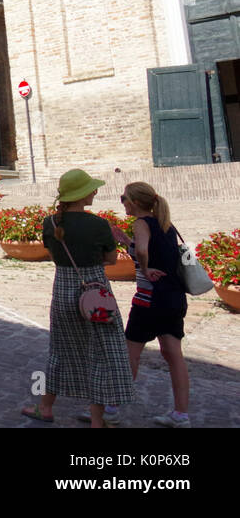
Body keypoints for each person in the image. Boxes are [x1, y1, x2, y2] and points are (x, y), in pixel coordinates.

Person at [22, 168, 136, 427]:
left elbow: (53, 255)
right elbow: (110, 259)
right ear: (82, 194)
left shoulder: (49, 223)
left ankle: (45, 408)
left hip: (62, 289)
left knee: (60, 351)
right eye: (91, 189)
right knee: (100, 353)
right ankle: (97, 421)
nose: (95, 192)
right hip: (95, 292)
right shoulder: (99, 224)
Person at [112, 182, 191, 428]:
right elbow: (154, 252)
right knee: (173, 355)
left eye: (124, 198)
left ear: (134, 202)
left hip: (150, 299)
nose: (122, 202)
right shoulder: (166, 225)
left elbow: (145, 251)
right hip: (174, 297)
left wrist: (145, 268)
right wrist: (126, 241)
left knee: (130, 354)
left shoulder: (141, 223)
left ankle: (112, 409)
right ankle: (180, 414)